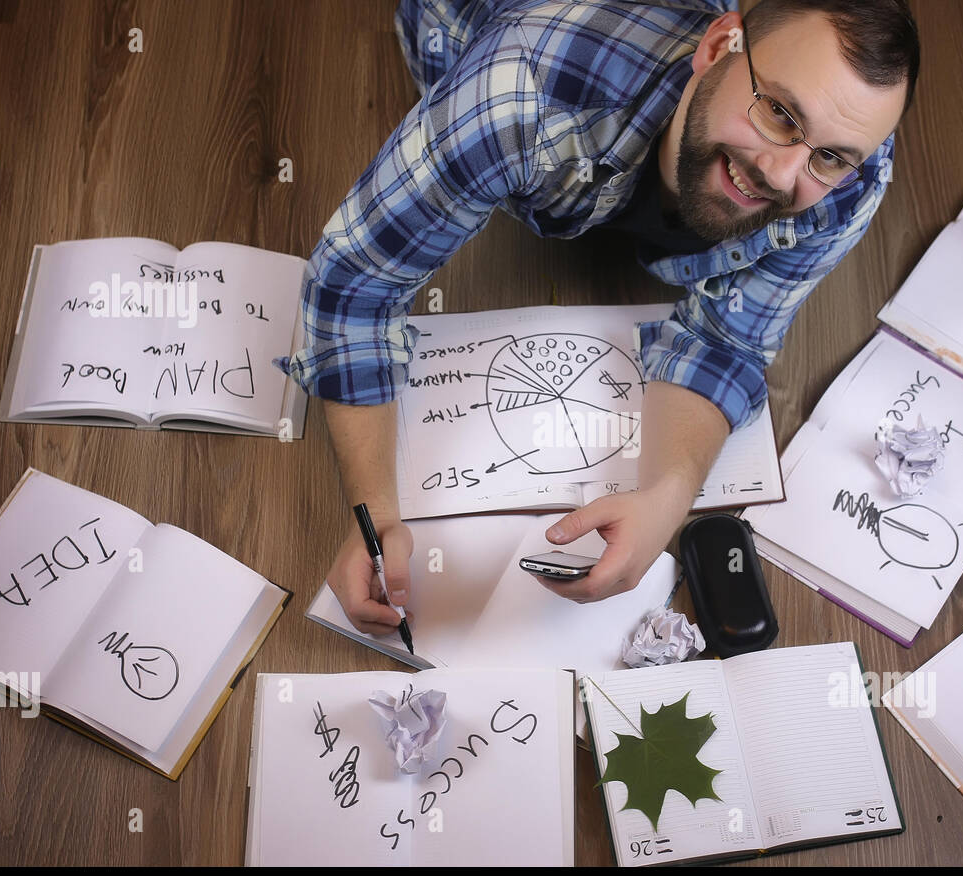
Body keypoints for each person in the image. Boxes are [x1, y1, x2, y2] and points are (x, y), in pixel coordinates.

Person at [278, 0, 919, 637]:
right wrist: (376, 513)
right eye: (778, 113)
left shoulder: (851, 172)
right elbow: (356, 286)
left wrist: (667, 497)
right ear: (719, 43)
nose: (781, 173)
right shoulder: (518, 92)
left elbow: (726, 339)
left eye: (830, 156)